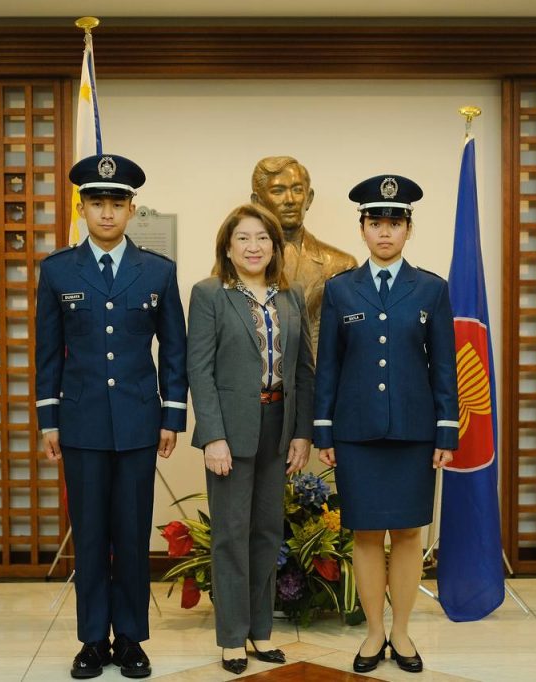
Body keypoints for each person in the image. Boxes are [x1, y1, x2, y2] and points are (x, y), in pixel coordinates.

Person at [35, 153, 188, 680]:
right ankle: (91, 640)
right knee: (92, 533)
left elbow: (174, 350)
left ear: (132, 209)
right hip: (80, 424)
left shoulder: (158, 271)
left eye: (116, 203)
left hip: (139, 423)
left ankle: (130, 638)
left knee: (130, 530)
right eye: (96, 203)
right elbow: (47, 353)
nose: (106, 213)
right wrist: (47, 421)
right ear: (82, 209)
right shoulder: (57, 270)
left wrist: (172, 416)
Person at [313, 174, 459, 674]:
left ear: (409, 229)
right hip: (357, 432)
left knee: (409, 533)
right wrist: (324, 431)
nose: (385, 232)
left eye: (395, 222)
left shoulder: (432, 289)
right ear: (362, 228)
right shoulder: (340, 291)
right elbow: (327, 366)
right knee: (367, 533)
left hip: (415, 433)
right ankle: (374, 632)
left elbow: (444, 366)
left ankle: (402, 631)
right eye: (376, 222)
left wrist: (446, 432)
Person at [186, 204, 315, 675]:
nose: (254, 246)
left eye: (263, 238)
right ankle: (231, 636)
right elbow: (199, 370)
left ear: (275, 247)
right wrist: (213, 437)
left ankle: (261, 630)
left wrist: (302, 433)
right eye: (243, 238)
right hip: (231, 431)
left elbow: (303, 369)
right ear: (227, 245)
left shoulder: (291, 296)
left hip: (278, 426)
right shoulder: (209, 295)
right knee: (230, 535)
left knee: (266, 533)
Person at [251, 156, 358, 351]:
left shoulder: (341, 265)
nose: (290, 200)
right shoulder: (235, 265)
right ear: (257, 202)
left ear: (308, 199)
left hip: (316, 376)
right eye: (278, 191)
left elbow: (352, 338)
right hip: (255, 376)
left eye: (297, 190)